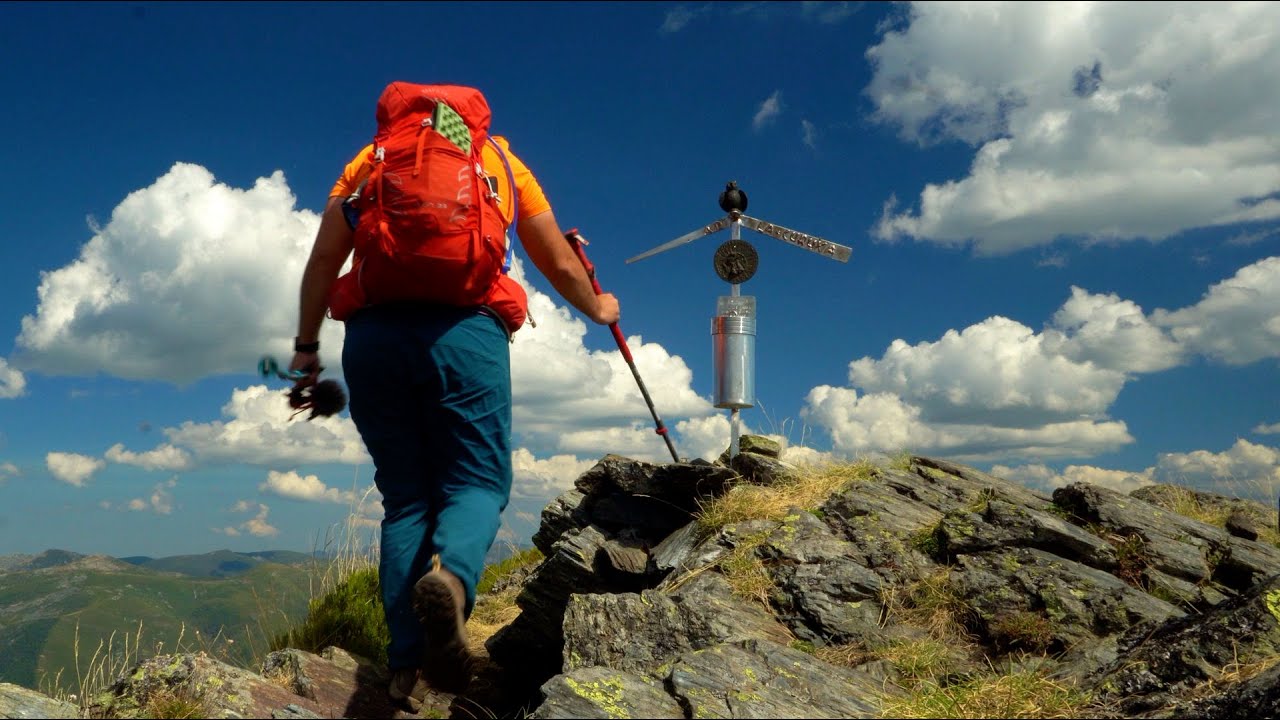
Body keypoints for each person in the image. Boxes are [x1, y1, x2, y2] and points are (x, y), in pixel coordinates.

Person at [288, 98, 620, 710]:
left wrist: (307, 348)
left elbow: (322, 261)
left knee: (406, 499)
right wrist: (599, 309)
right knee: (477, 483)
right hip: (467, 333)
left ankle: (402, 670)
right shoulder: (499, 161)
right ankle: (454, 582)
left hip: (375, 336)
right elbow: (554, 257)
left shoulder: (370, 161)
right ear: (476, 120)